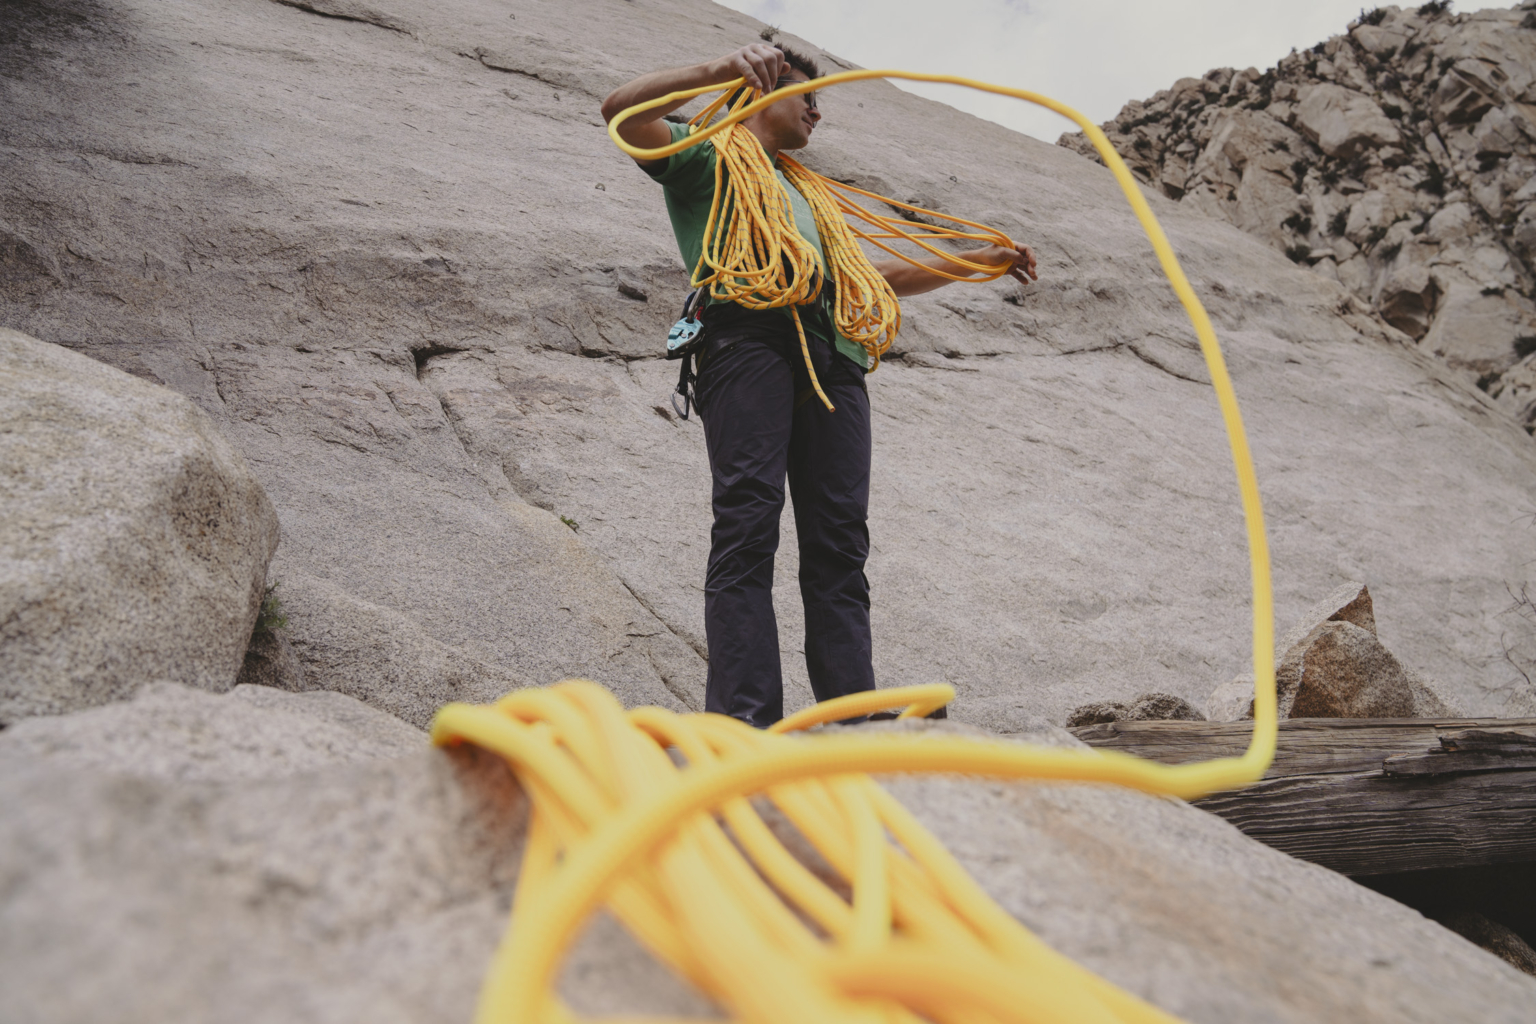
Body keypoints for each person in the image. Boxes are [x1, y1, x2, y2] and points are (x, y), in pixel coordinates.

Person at [601, 43, 1037, 728]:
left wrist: (969, 261)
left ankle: (854, 719)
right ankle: (743, 723)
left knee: (840, 543)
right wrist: (715, 73)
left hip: (834, 355)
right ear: (763, 90)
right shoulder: (703, 154)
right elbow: (621, 112)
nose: (817, 111)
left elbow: (866, 281)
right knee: (747, 526)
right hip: (748, 338)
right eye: (808, 96)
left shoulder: (810, 191)